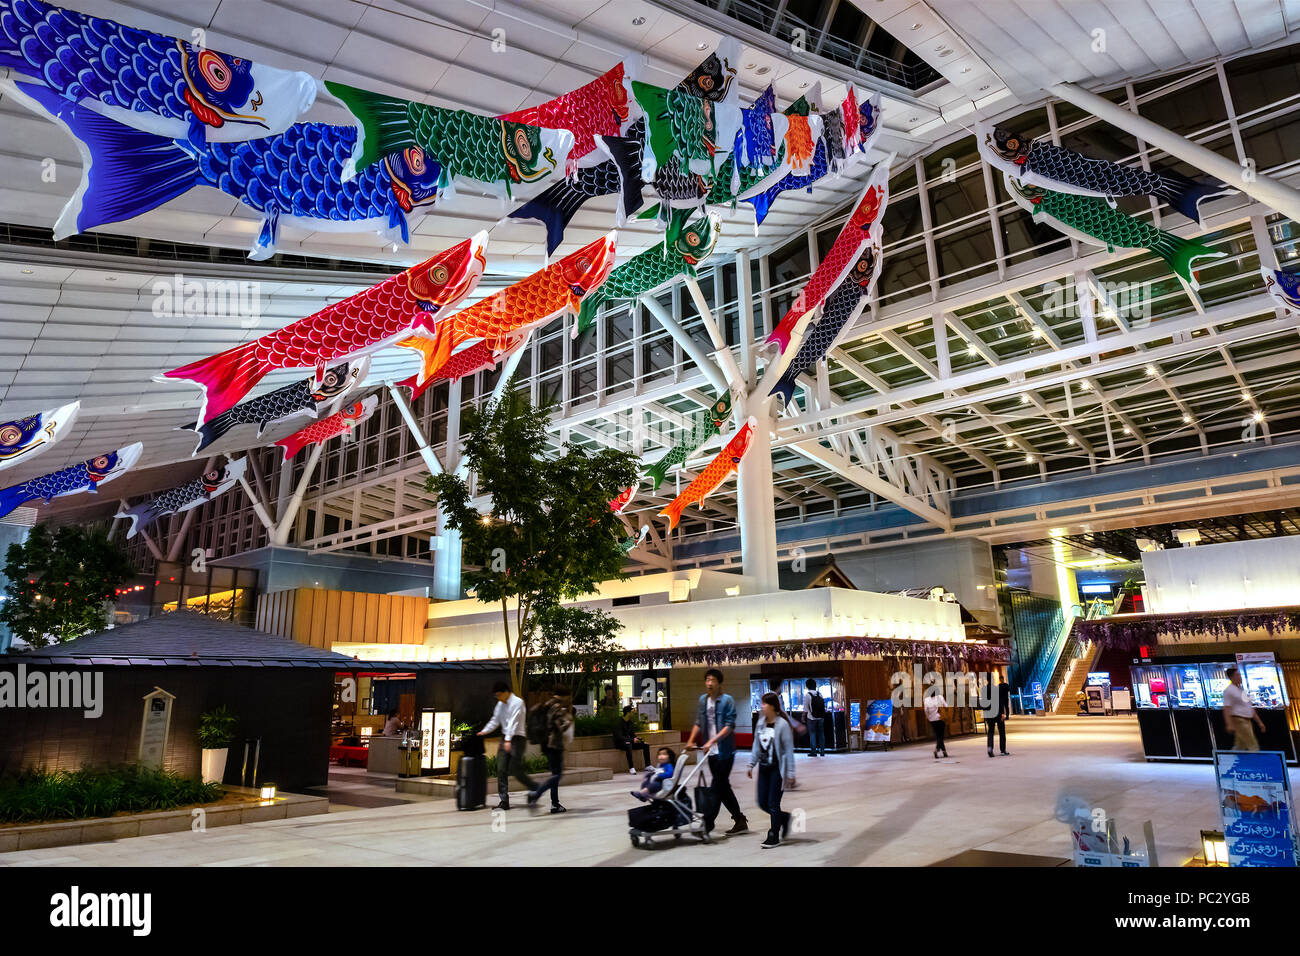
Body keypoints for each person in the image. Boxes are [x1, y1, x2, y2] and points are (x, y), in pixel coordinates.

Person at [685, 668, 749, 835]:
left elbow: (729, 725)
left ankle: (707, 824)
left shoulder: (727, 700)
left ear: (720, 683)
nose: (709, 683)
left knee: (716, 787)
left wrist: (712, 741)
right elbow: (698, 722)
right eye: (707, 680)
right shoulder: (703, 700)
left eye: (712, 680)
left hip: (725, 752)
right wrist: (691, 740)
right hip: (710, 753)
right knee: (723, 787)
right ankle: (739, 819)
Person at [477, 680, 535, 810]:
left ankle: (534, 788)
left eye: (499, 695)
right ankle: (504, 801)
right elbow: (495, 720)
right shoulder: (500, 705)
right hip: (506, 738)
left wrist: (508, 740)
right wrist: (484, 731)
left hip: (518, 738)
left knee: (516, 770)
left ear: (506, 693)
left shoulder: (518, 703)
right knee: (501, 768)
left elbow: (513, 723)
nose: (497, 698)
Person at [748, 691, 795, 849]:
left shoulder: (782, 725)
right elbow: (756, 745)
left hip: (777, 769)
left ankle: (773, 834)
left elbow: (788, 751)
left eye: (764, 703)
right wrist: (751, 764)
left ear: (772, 706)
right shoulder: (761, 723)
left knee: (773, 803)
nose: (761, 706)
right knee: (762, 802)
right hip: (764, 768)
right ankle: (784, 818)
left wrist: (790, 774)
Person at [527, 685, 573, 814]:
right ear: (564, 695)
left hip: (546, 744)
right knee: (557, 775)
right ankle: (536, 793)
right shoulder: (558, 707)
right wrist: (569, 722)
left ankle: (555, 804)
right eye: (568, 696)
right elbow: (560, 726)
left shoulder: (547, 703)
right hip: (554, 744)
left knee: (555, 774)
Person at [1223, 667, 1265, 752]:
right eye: (1237, 675)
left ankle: (1230, 762)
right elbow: (1227, 708)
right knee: (1252, 745)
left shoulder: (1241, 690)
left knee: (1240, 746)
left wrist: (1259, 722)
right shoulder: (1229, 691)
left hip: (1247, 720)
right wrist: (1229, 724)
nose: (1240, 677)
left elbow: (1249, 707)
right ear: (1231, 677)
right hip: (1239, 720)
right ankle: (1256, 763)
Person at [613, 704, 652, 774]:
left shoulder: (630, 723)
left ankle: (648, 765)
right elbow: (619, 737)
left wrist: (637, 738)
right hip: (621, 743)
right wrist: (632, 740)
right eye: (632, 712)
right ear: (628, 713)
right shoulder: (618, 722)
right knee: (628, 745)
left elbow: (632, 734)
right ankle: (631, 767)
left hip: (629, 741)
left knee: (645, 745)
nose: (634, 713)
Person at [986, 669, 1010, 757]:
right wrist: (1002, 713)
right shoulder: (996, 689)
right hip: (997, 712)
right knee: (1002, 731)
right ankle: (1003, 750)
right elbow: (999, 702)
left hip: (989, 713)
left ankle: (990, 748)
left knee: (990, 732)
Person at [804, 678, 827, 757]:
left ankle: (814, 752)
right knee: (821, 733)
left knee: (812, 734)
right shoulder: (819, 694)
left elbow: (806, 708)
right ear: (815, 685)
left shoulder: (807, 695)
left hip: (811, 718)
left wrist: (803, 717)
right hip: (821, 717)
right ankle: (822, 751)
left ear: (807, 686)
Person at [924, 687, 948, 758]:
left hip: (932, 720)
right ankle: (937, 749)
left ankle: (944, 752)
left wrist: (928, 718)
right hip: (940, 718)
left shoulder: (926, 700)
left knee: (938, 735)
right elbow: (946, 705)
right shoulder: (940, 697)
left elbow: (926, 710)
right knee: (941, 736)